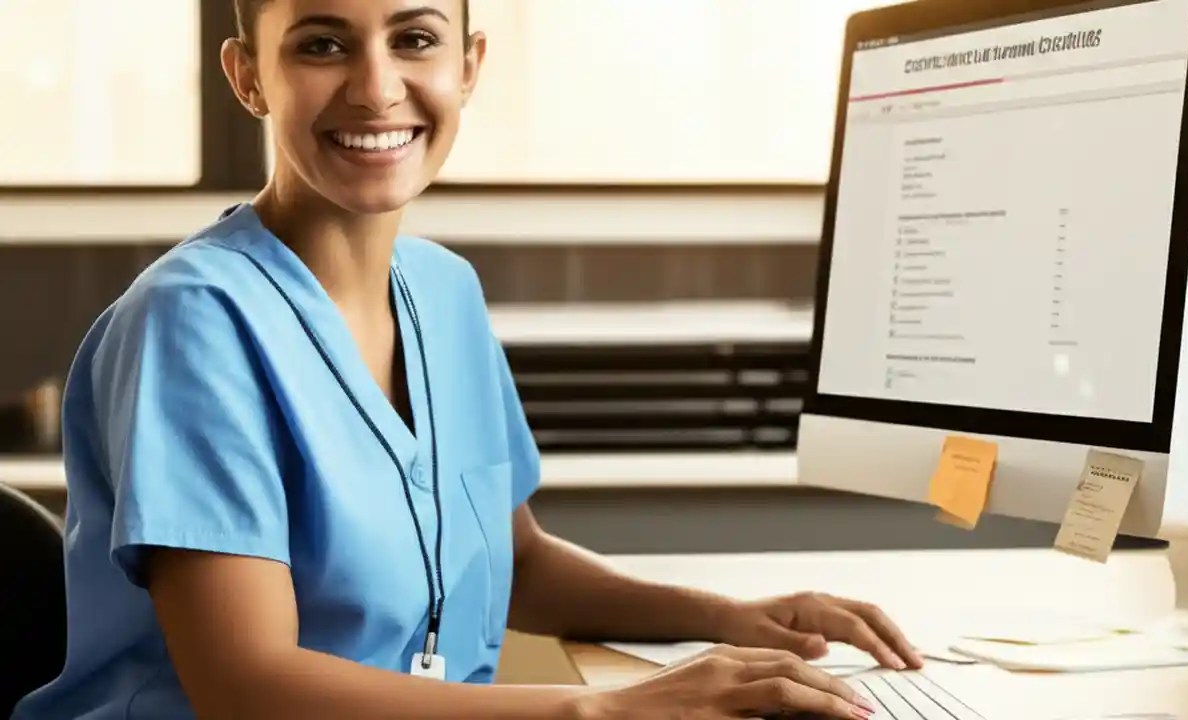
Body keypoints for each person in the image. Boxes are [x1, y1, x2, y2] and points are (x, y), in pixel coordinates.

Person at [12, 1, 922, 718]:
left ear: (469, 65)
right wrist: (603, 709)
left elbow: (510, 562)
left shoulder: (444, 291)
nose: (377, 88)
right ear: (248, 75)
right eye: (322, 45)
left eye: (414, 39)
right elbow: (248, 691)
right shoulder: (194, 323)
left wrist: (727, 616)